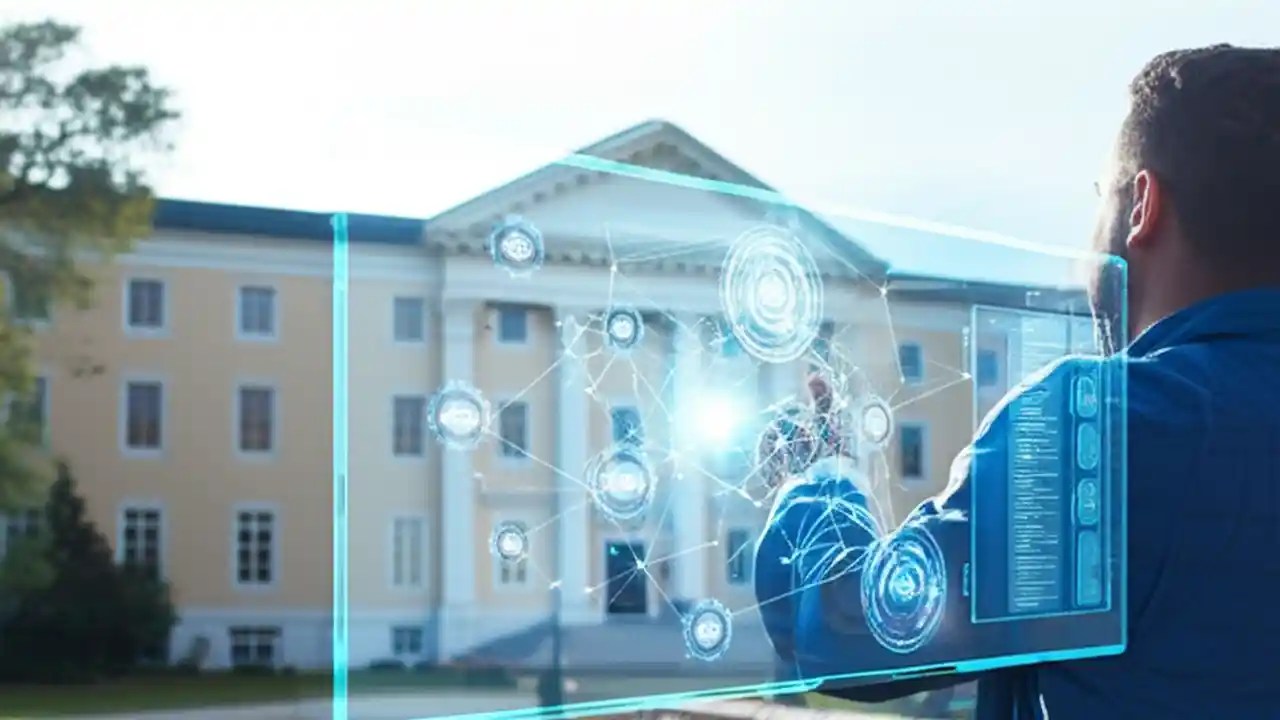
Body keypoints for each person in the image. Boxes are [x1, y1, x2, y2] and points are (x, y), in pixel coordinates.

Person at [754, 44, 1280, 719]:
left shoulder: (1106, 431)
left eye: (1103, 200)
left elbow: (851, 631)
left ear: (1143, 205)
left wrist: (819, 476)